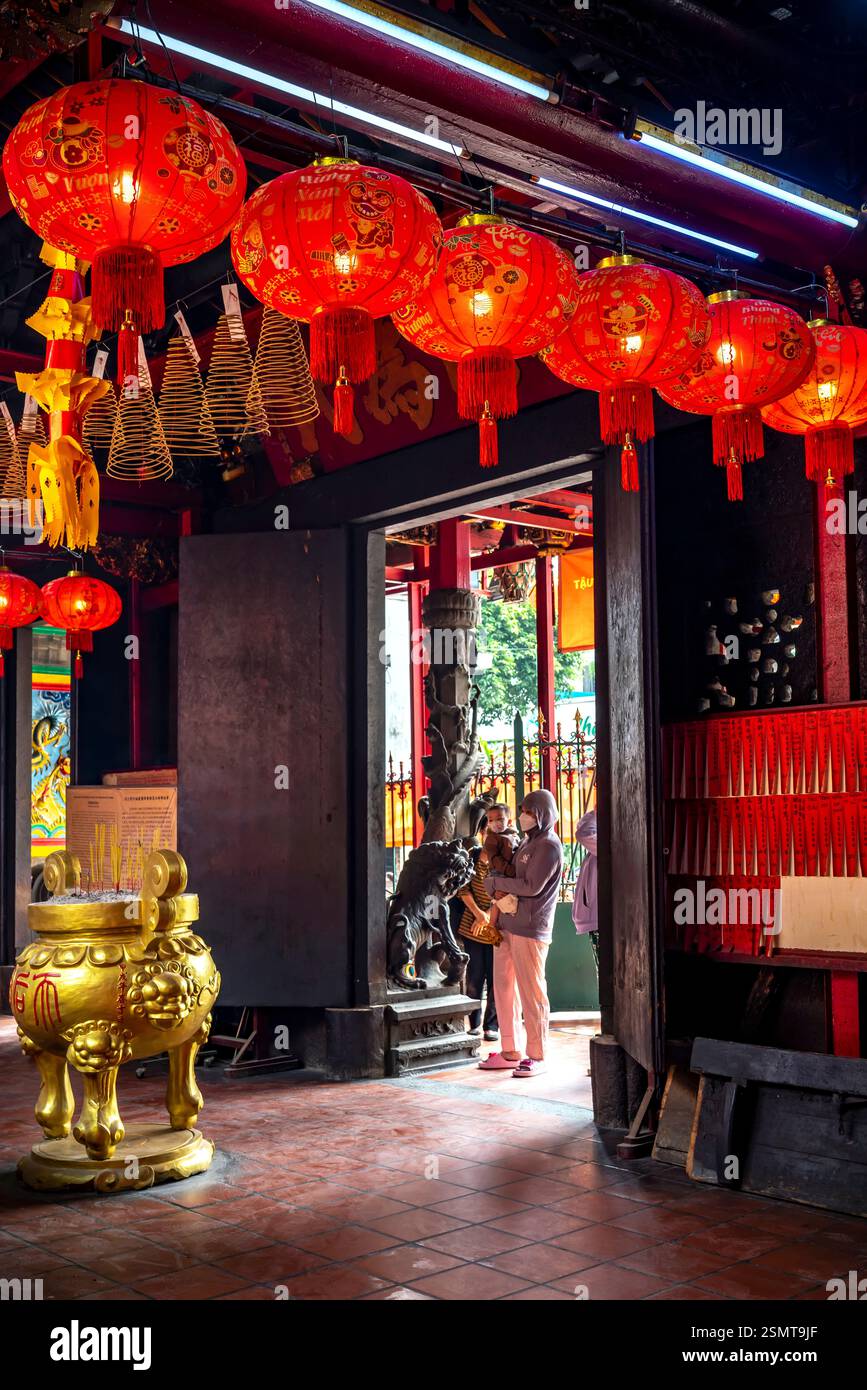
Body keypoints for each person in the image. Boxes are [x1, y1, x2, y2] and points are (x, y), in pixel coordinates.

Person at [478, 788, 563, 1078]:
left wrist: (495, 884)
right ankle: (510, 1050)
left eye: (530, 811)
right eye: (524, 810)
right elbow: (513, 877)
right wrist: (497, 881)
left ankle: (537, 1055)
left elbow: (532, 886)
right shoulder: (526, 844)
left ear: (543, 813)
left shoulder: (549, 846)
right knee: (503, 990)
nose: (525, 816)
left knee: (532, 992)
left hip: (531, 928)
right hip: (506, 926)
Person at [457, 803, 519, 1040]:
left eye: (499, 821)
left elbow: (507, 891)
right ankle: (473, 1021)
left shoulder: (508, 855)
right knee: (474, 976)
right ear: (483, 831)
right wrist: (479, 915)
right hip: (473, 925)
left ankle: (491, 1025)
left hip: (498, 926)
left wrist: (489, 915)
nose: (494, 826)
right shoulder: (472, 857)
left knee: (496, 979)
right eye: (489, 825)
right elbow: (463, 888)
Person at [571, 807, 599, 975]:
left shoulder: (605, 845)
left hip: (600, 919)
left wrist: (597, 812)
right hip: (597, 919)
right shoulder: (597, 850)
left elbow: (583, 832)